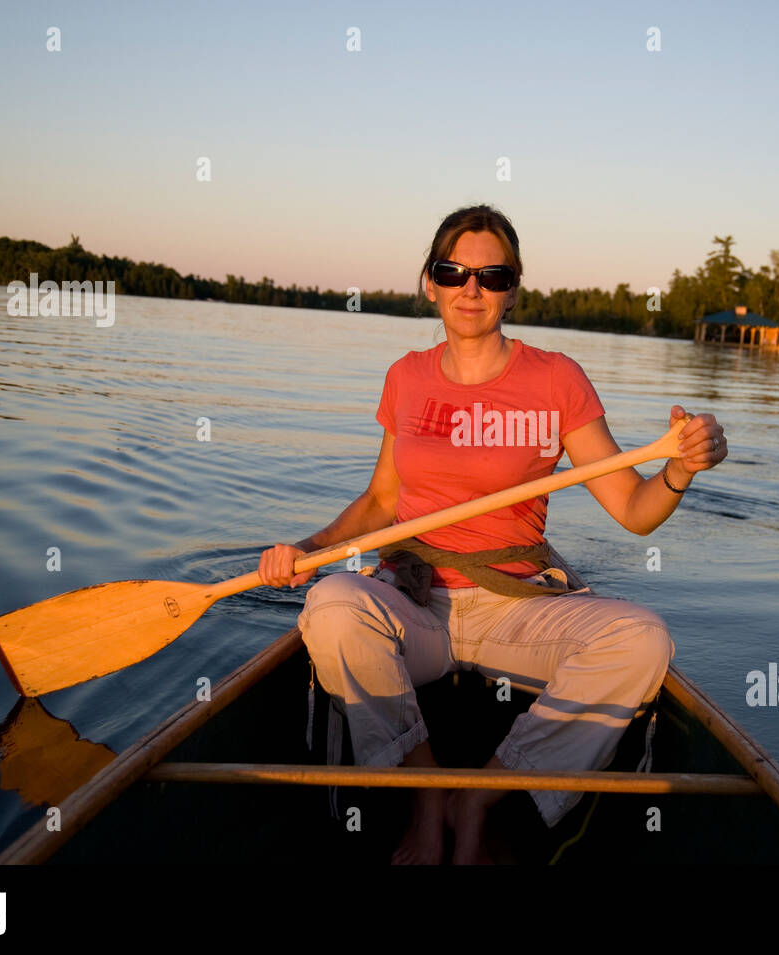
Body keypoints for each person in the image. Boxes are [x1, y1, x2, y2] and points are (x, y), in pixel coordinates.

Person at [259, 204, 727, 863]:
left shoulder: (557, 379)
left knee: (643, 638)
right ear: (430, 282)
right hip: (415, 601)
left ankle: (480, 797)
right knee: (331, 607)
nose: (470, 288)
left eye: (491, 274)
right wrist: (308, 552)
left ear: (513, 287)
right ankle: (426, 796)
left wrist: (679, 468)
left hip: (517, 607)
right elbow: (380, 501)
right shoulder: (406, 377)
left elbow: (634, 508)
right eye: (453, 271)